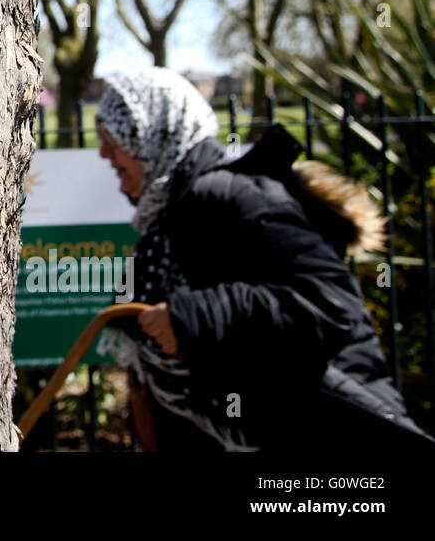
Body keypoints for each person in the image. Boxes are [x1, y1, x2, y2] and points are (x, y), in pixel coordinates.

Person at [94, 68, 434, 451]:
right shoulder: (168, 222)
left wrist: (194, 317)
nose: (104, 153)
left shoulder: (233, 196)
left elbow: (329, 303)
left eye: (112, 138)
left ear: (153, 134)